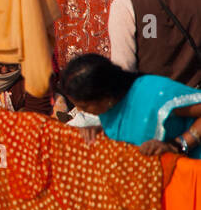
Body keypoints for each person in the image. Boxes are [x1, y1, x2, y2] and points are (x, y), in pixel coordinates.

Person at [60, 53, 201, 158]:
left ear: (104, 96)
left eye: (84, 106)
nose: (81, 111)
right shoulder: (109, 108)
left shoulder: (155, 93)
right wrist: (101, 131)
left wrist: (179, 144)